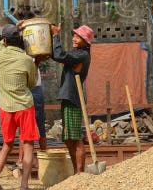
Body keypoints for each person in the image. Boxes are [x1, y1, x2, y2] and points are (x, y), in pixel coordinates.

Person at [0, 24, 39, 190]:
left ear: (5, 40)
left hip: (5, 106)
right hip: (24, 106)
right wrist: (36, 63)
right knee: (28, 145)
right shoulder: (26, 60)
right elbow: (31, 84)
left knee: (6, 145)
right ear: (19, 41)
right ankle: (24, 187)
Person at [51, 24, 94, 174]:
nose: (74, 39)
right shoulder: (77, 53)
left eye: (78, 37)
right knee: (68, 137)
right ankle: (76, 171)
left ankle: (79, 173)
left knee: (75, 137)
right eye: (74, 36)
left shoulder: (82, 55)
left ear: (85, 41)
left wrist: (56, 36)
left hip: (72, 98)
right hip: (68, 97)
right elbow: (58, 54)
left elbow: (59, 55)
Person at [15, 57, 48, 171]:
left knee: (31, 126)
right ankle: (25, 159)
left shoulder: (25, 55)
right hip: (29, 90)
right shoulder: (27, 54)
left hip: (31, 90)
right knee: (30, 126)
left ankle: (24, 159)